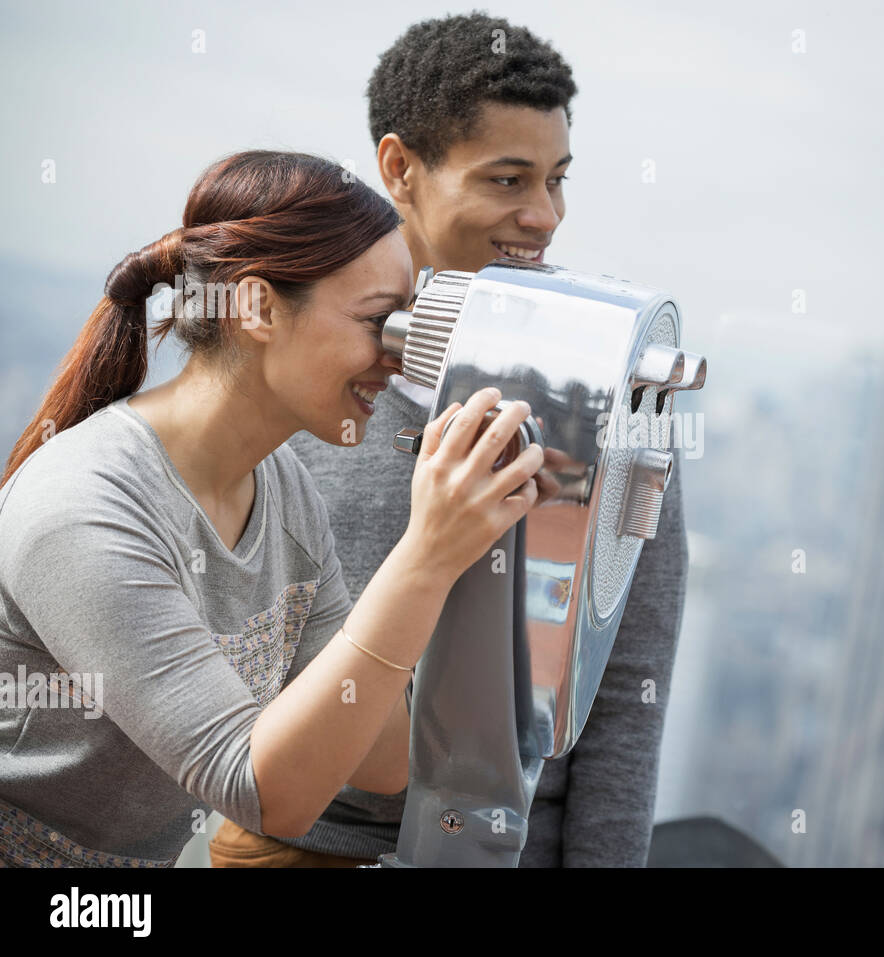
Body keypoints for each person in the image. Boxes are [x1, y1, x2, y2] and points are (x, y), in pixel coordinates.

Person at [207, 13, 690, 868]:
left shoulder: (615, 390)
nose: (543, 216)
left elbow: (623, 702)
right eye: (508, 180)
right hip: (298, 843)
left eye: (557, 180)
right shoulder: (301, 389)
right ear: (400, 168)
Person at [0, 150, 542, 867]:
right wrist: (425, 555)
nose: (399, 359)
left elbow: (380, 761)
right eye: (380, 321)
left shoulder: (280, 487)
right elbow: (263, 791)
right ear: (256, 307)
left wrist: (469, 552)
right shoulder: (85, 507)